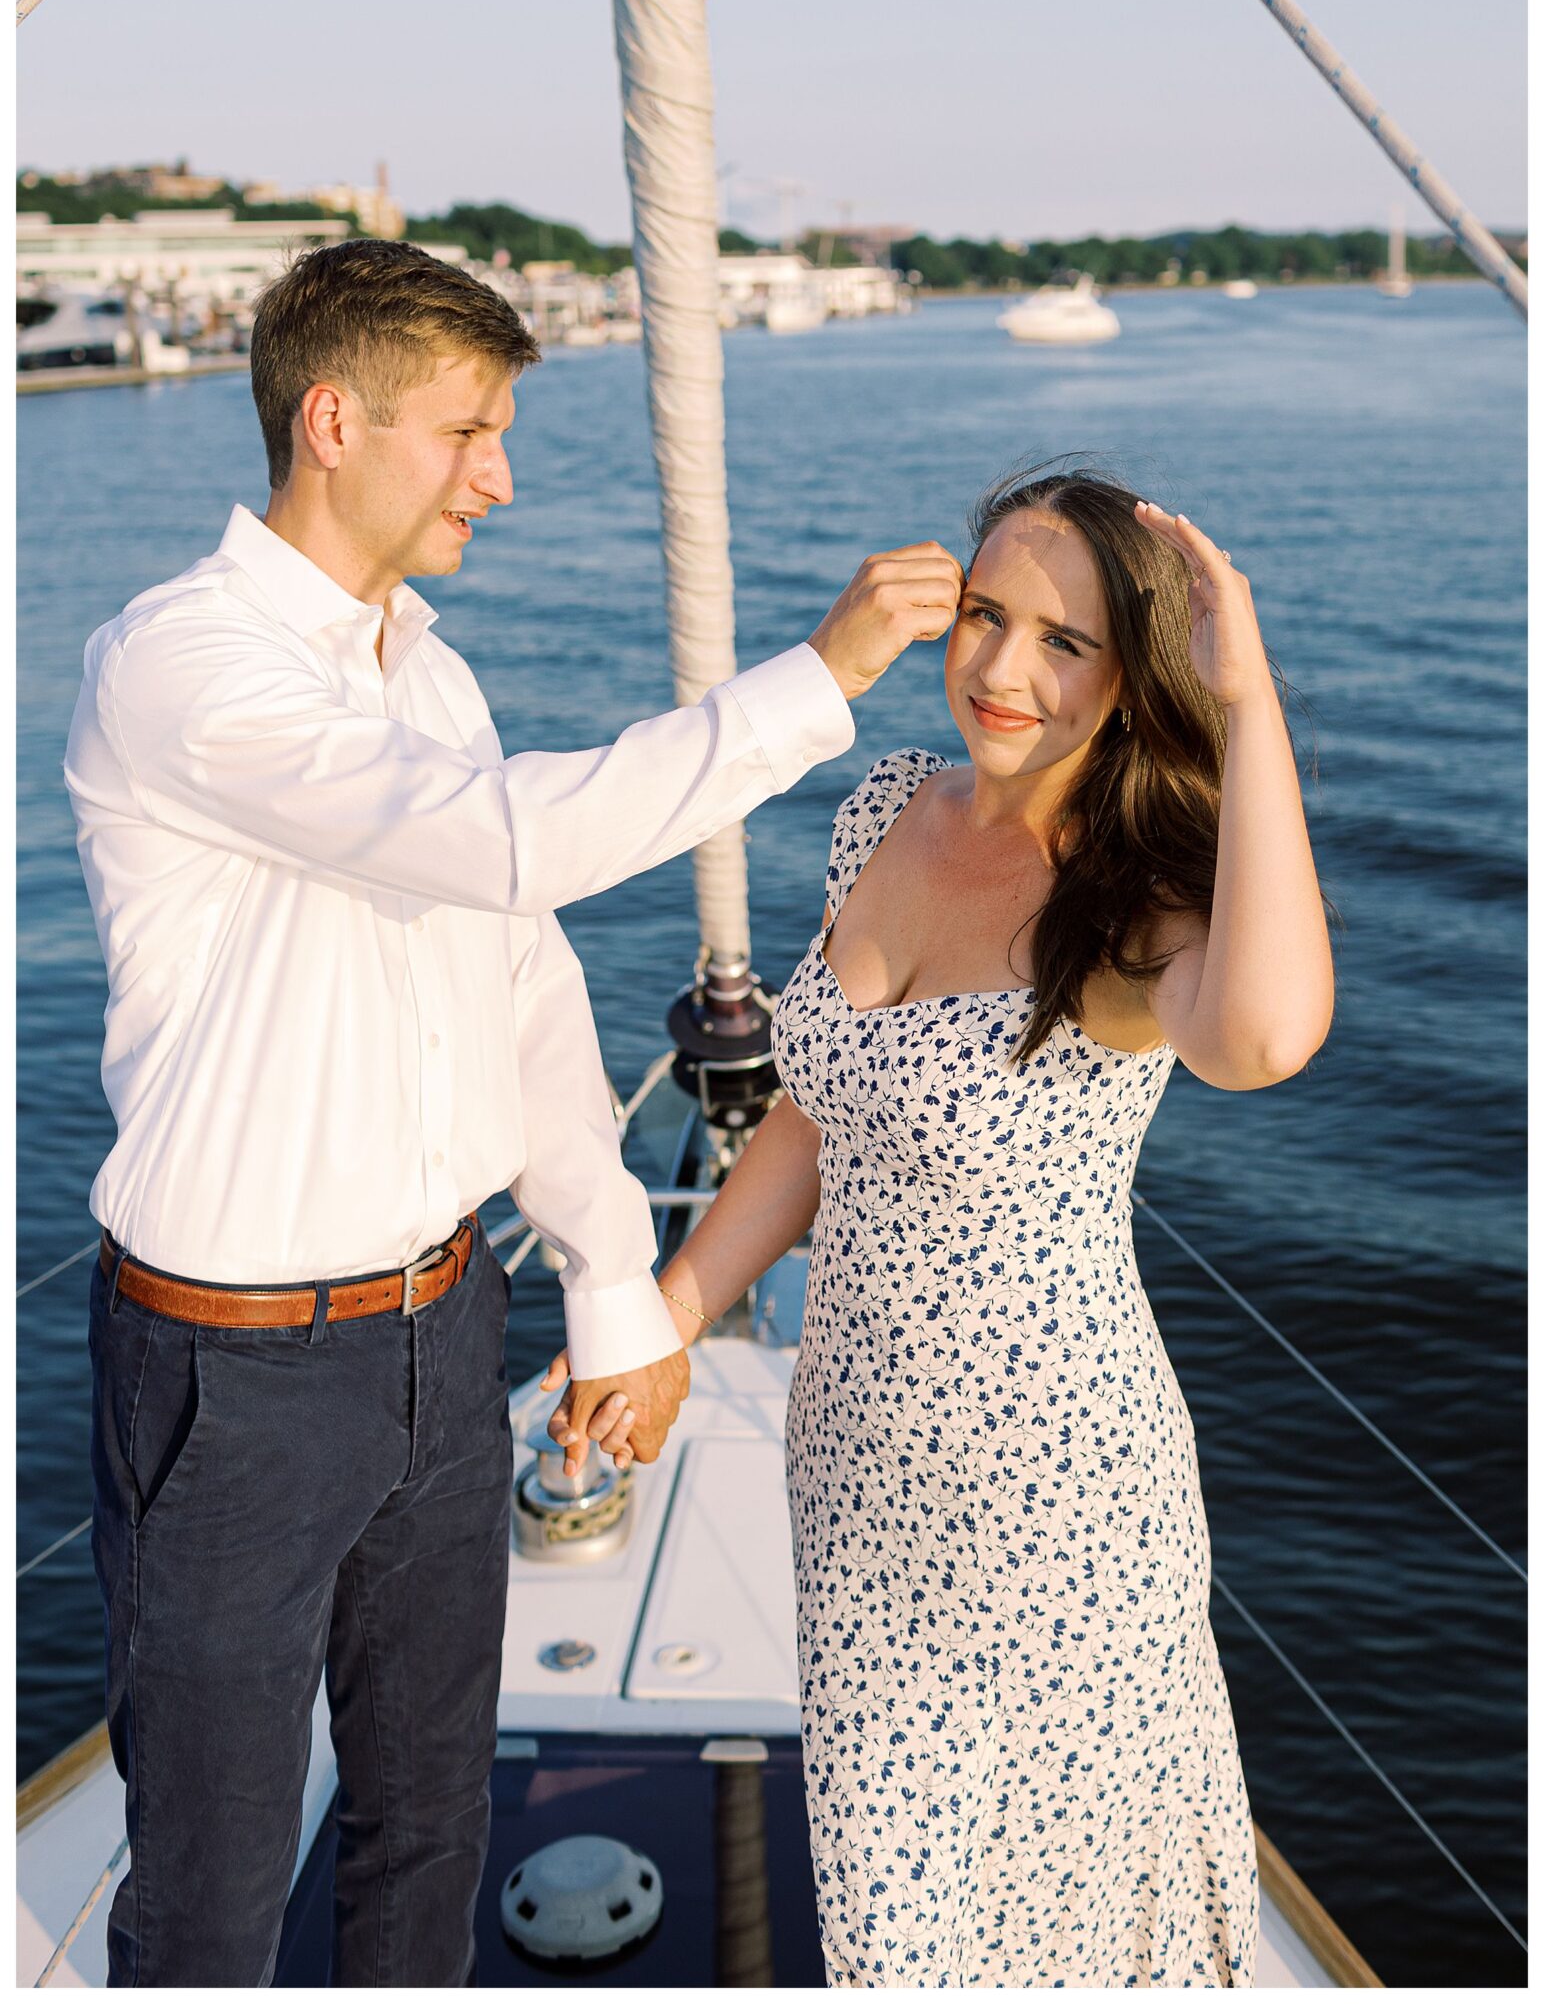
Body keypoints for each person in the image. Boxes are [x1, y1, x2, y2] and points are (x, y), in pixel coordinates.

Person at [62, 236, 963, 1986]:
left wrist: (611, 1287)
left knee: (429, 1824)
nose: (500, 472)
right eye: (470, 430)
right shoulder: (179, 667)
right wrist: (821, 674)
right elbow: (512, 841)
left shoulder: (430, 673)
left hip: (441, 1336)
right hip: (232, 1379)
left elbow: (525, 985)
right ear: (335, 420)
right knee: (214, 1880)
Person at [546, 463, 1334, 1985]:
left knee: (1067, 1948)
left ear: (1135, 676)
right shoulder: (889, 806)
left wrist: (1248, 710)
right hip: (858, 1492)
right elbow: (814, 1117)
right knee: (898, 1938)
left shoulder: (1133, 895)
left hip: (1060, 1521)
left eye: (1062, 641)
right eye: (986, 614)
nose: (1000, 668)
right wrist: (666, 1315)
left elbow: (1269, 1034)